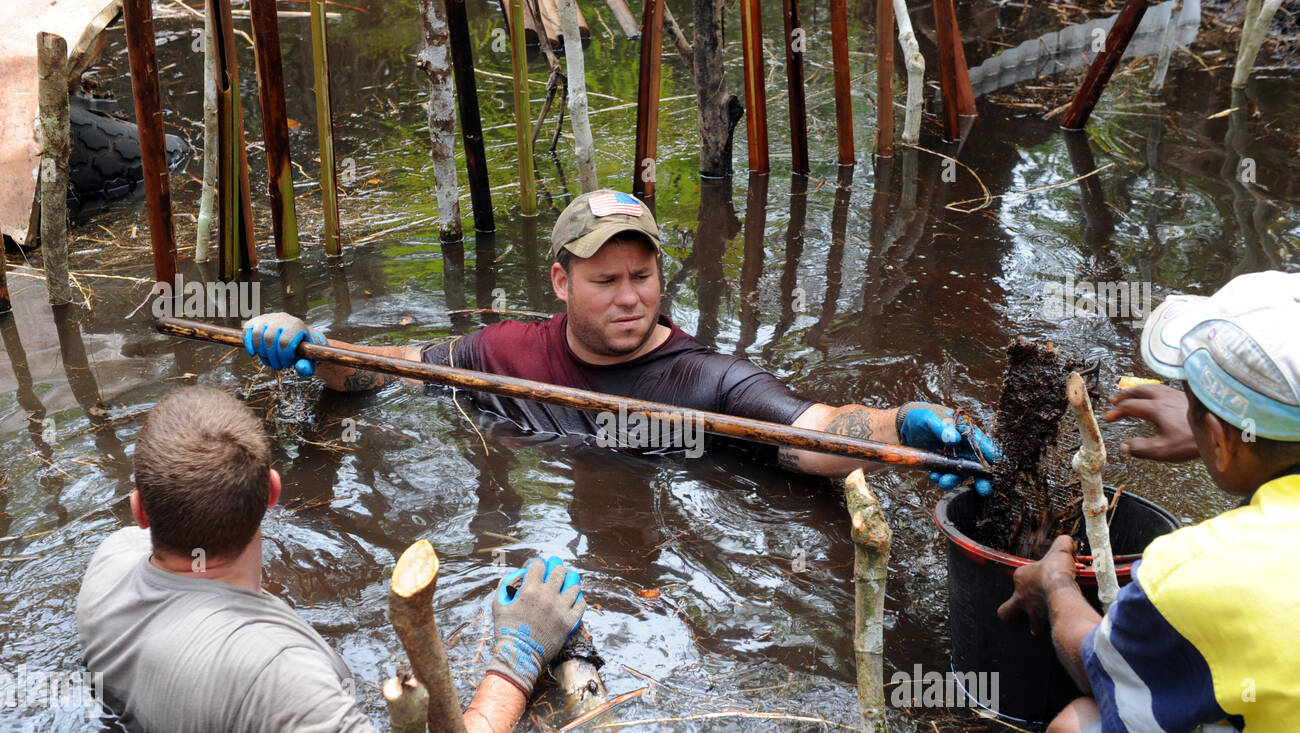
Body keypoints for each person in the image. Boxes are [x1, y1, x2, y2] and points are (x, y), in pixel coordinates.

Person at [242, 189, 998, 492]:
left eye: (642, 275)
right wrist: (309, 345)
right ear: (562, 283)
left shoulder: (706, 378)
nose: (631, 297)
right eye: (606, 281)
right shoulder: (503, 349)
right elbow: (381, 372)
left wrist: (902, 426)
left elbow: (814, 434)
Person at [76, 386, 586, 733]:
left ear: (139, 511)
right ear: (273, 492)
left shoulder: (110, 561)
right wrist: (516, 662)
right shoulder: (275, 677)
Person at [998, 270, 1300, 733]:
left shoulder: (1204, 572)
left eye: (1193, 405)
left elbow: (1102, 674)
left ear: (1220, 437)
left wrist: (1057, 587)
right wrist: (1219, 437)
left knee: (1077, 730)